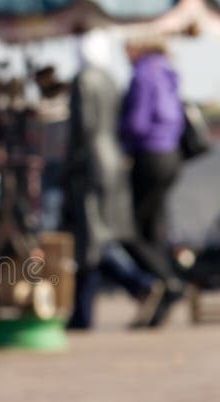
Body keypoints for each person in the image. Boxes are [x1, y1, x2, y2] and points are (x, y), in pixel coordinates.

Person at [62, 30, 164, 329]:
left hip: (90, 166)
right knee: (94, 240)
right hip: (112, 162)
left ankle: (138, 283)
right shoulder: (109, 79)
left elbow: (83, 129)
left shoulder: (84, 81)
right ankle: (82, 314)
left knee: (93, 240)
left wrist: (68, 169)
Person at [119, 36, 185, 325]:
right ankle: (162, 296)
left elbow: (137, 122)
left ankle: (168, 281)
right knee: (154, 230)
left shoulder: (144, 72)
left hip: (149, 154)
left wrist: (119, 135)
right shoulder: (168, 71)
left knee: (128, 230)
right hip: (170, 154)